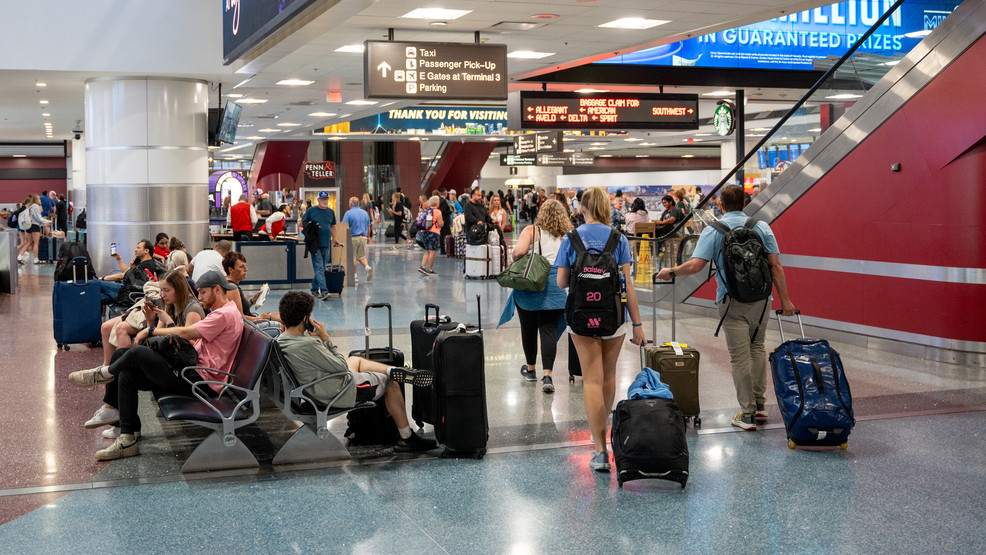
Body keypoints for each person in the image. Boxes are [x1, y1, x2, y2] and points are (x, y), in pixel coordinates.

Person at [656, 184, 796, 431]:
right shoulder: (761, 227)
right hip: (762, 300)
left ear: (721, 205)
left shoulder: (714, 230)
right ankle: (760, 405)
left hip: (731, 301)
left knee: (739, 357)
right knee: (757, 349)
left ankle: (747, 413)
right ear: (744, 203)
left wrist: (672, 272)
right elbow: (776, 266)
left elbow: (697, 265)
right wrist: (785, 300)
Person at [67, 270, 244, 460]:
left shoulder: (223, 315)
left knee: (137, 353)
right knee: (126, 370)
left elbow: (186, 333)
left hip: (199, 381)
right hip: (191, 372)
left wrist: (150, 331)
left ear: (217, 290)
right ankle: (128, 437)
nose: (199, 297)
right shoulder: (224, 311)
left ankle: (103, 374)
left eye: (203, 293)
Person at [275, 291, 438, 452]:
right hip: (338, 391)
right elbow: (341, 366)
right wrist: (325, 338)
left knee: (356, 360)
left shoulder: (281, 340)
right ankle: (407, 438)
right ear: (305, 318)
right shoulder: (308, 345)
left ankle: (393, 369)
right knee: (390, 382)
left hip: (314, 388)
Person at [555, 186, 646, 472]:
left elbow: (560, 282)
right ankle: (606, 432)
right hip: (613, 318)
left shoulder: (571, 238)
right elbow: (627, 286)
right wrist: (638, 324)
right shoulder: (618, 239)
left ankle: (598, 449)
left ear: (582, 208)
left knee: (591, 380)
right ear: (607, 208)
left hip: (581, 319)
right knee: (608, 379)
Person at [87, 269, 206, 439]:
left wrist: (168, 322)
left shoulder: (192, 309)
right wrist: (151, 321)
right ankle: (126, 427)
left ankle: (104, 377)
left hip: (183, 372)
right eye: (161, 291)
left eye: (167, 290)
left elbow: (189, 349)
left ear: (179, 289)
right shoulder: (171, 306)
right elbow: (157, 339)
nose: (163, 295)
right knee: (126, 370)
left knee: (133, 354)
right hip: (170, 363)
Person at [497, 199, 571, 393]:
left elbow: (518, 253)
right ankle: (548, 375)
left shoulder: (532, 230)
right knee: (548, 330)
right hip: (556, 285)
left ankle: (530, 370)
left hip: (531, 283)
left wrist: (518, 257)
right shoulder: (567, 236)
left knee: (528, 328)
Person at [302, 190, 339, 299]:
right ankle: (324, 291)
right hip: (315, 244)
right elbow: (303, 223)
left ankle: (314, 289)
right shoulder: (311, 211)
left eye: (326, 199)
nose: (324, 200)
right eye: (322, 199)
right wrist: (312, 226)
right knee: (319, 268)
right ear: (318, 200)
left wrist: (335, 239)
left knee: (322, 268)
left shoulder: (331, 212)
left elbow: (333, 227)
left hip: (327, 244)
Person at [342, 196, 373, 282]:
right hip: (363, 237)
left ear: (351, 204)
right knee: (361, 256)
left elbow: (344, 226)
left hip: (353, 238)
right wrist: (368, 237)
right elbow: (369, 227)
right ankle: (367, 267)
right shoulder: (365, 213)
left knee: (353, 257)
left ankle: (355, 276)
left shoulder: (348, 213)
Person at [417, 196, 443, 275]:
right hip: (433, 232)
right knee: (432, 251)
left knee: (427, 250)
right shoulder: (437, 211)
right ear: (437, 203)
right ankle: (430, 270)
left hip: (424, 232)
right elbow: (440, 223)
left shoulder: (426, 210)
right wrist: (443, 223)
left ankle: (422, 266)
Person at [16, 195, 44, 264]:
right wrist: (49, 221)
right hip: (35, 226)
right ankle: (36, 259)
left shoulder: (29, 207)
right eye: (39, 200)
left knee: (29, 242)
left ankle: (19, 256)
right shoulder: (36, 207)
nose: (40, 201)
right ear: (36, 200)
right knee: (36, 243)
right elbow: (39, 216)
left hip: (28, 226)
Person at [437, 188, 452, 255]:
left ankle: (443, 250)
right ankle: (449, 250)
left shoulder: (439, 200)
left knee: (442, 236)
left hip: (441, 220)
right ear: (445, 193)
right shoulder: (443, 201)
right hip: (445, 221)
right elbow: (443, 211)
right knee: (448, 235)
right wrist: (450, 212)